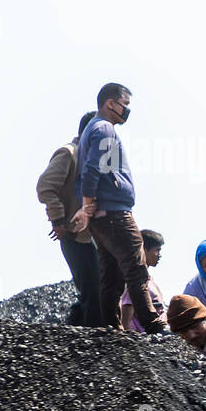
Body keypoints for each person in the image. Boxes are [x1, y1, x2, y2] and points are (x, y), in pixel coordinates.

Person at [67, 83, 167, 334]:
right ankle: (153, 324)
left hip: (104, 216)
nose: (127, 111)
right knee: (136, 266)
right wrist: (88, 206)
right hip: (114, 213)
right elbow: (92, 169)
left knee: (111, 274)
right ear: (110, 103)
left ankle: (111, 327)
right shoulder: (104, 129)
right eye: (125, 104)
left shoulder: (94, 128)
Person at [36, 111, 101, 326]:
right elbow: (45, 187)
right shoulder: (69, 154)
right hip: (73, 235)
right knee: (92, 289)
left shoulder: (92, 160)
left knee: (97, 288)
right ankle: (95, 344)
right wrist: (58, 220)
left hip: (91, 235)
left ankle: (75, 331)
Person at [120, 230, 166, 332]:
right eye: (157, 250)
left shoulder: (148, 279)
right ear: (144, 249)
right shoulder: (136, 279)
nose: (159, 255)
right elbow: (126, 314)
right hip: (143, 337)